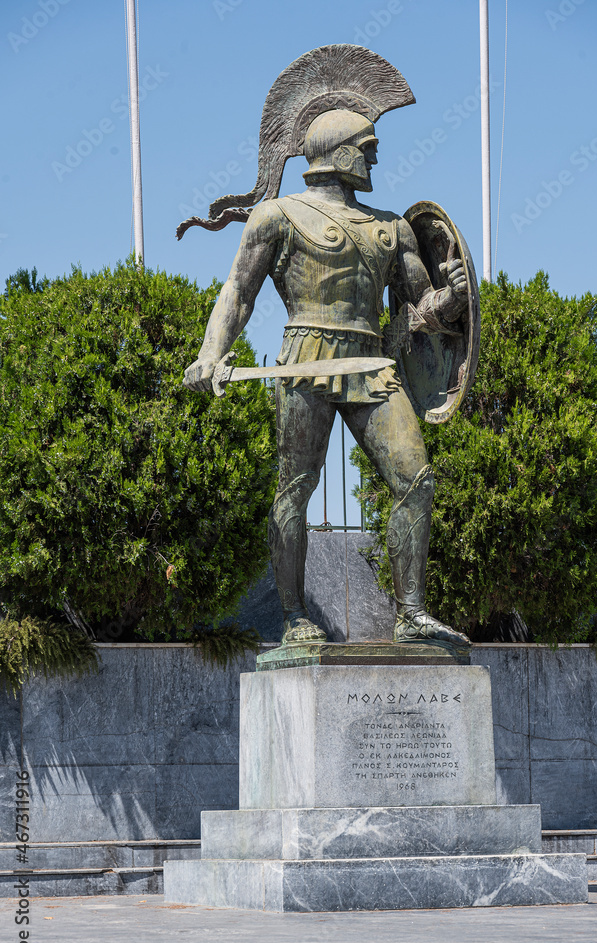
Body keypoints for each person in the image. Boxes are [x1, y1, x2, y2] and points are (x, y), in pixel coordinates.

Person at [183, 108, 471, 653]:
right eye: (367, 147)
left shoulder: (393, 227)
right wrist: (210, 352)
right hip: (304, 361)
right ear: (339, 153)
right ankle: (294, 617)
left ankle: (411, 614)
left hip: (372, 364)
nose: (375, 157)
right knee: (295, 490)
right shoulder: (276, 216)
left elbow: (416, 309)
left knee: (416, 479)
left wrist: (451, 298)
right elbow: (238, 293)